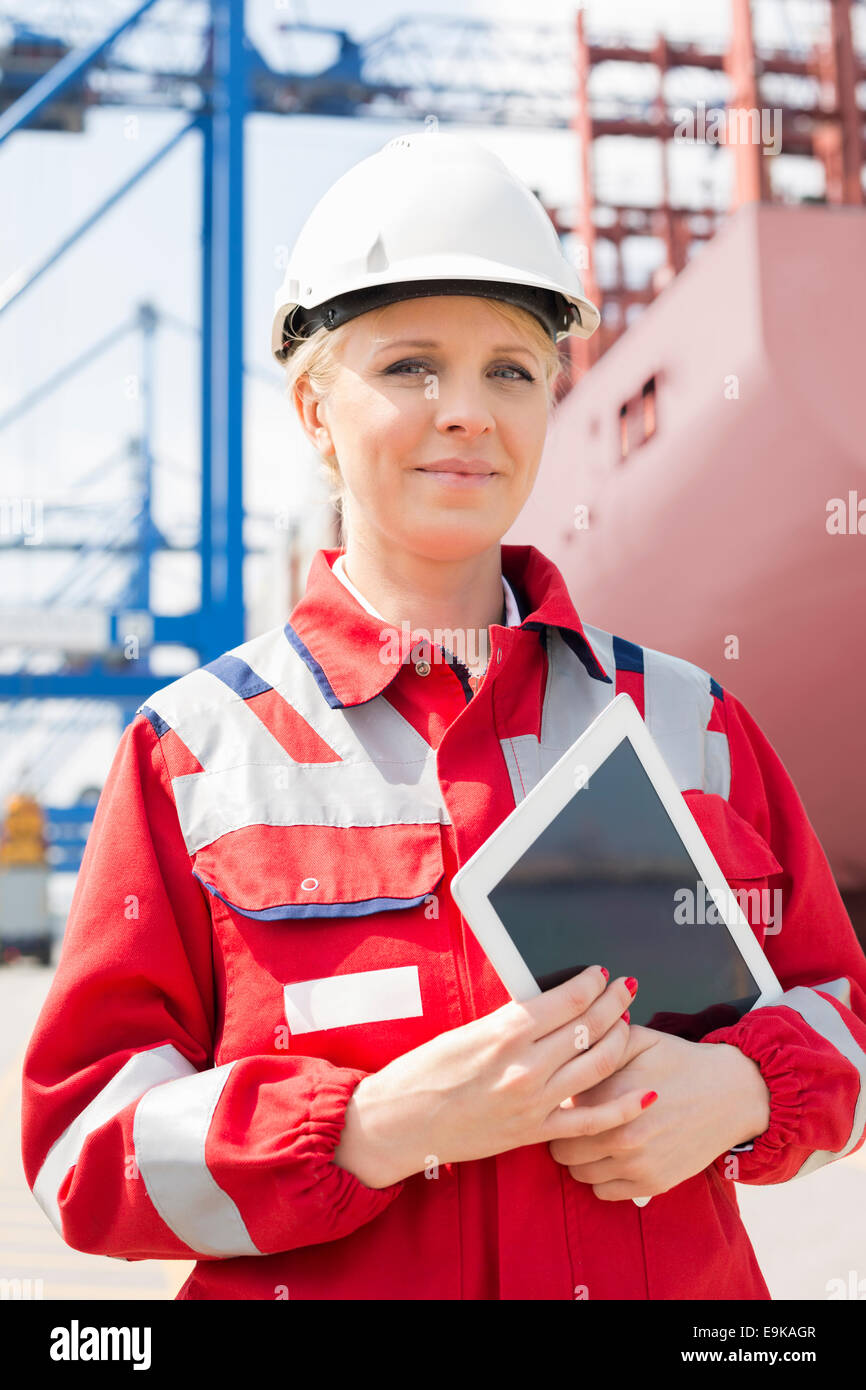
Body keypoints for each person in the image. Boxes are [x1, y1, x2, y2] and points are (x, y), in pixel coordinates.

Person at [21, 133, 866, 1301]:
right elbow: (81, 1151)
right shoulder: (193, 753)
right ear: (315, 408)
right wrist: (362, 1129)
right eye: (411, 366)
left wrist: (748, 1092)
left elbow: (842, 1016)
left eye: (511, 371)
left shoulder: (694, 724)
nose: (464, 412)